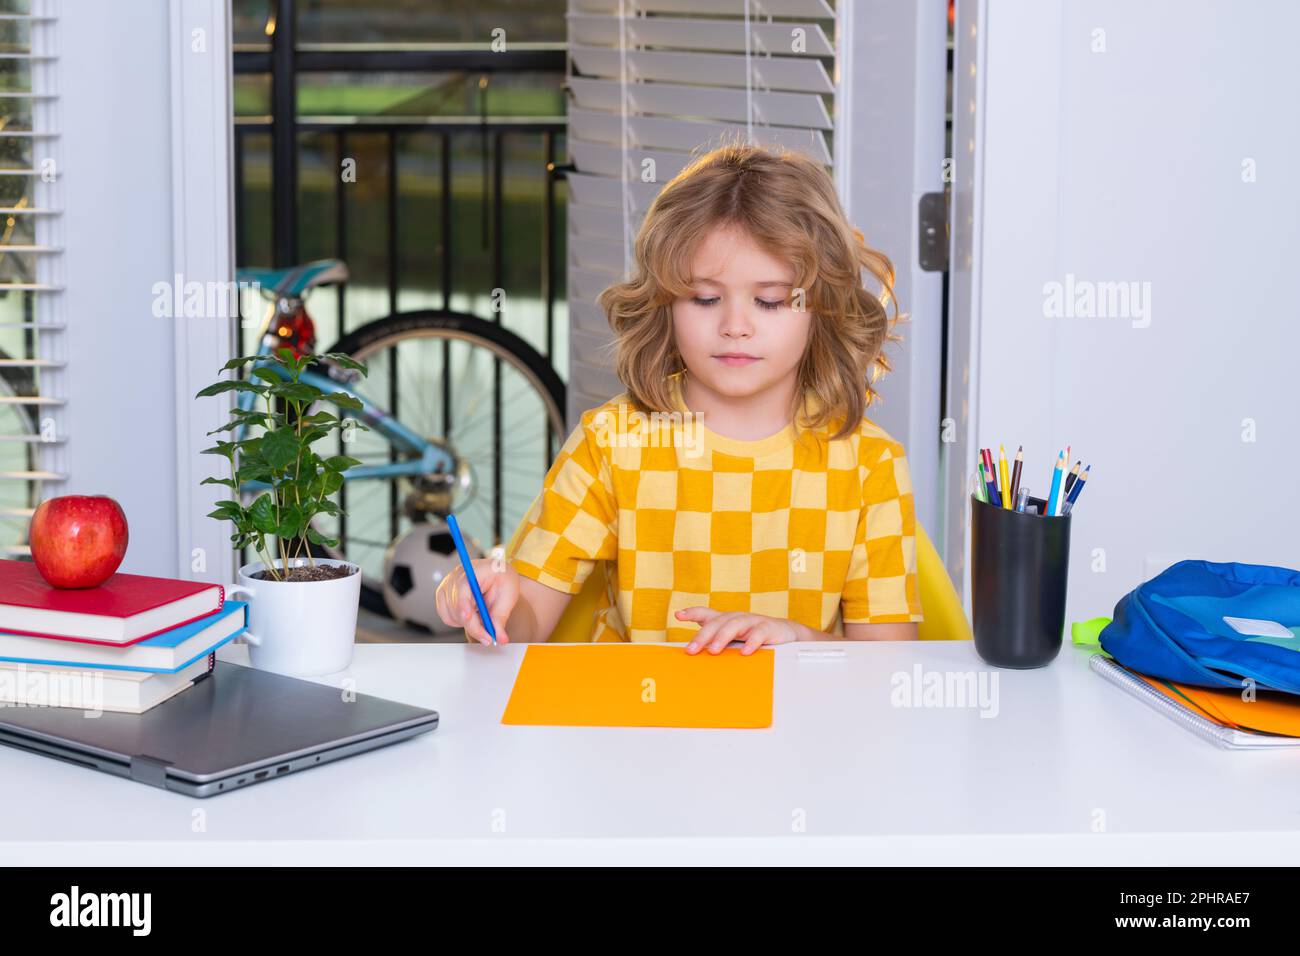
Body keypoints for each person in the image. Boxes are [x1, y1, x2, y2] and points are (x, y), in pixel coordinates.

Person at [436, 141, 922, 653]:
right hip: (636, 724)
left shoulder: (871, 466)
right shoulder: (611, 442)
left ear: (819, 308)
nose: (735, 326)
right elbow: (528, 618)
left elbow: (885, 664)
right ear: (664, 304)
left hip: (796, 728)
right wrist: (493, 603)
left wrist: (798, 641)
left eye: (771, 301)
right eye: (705, 298)